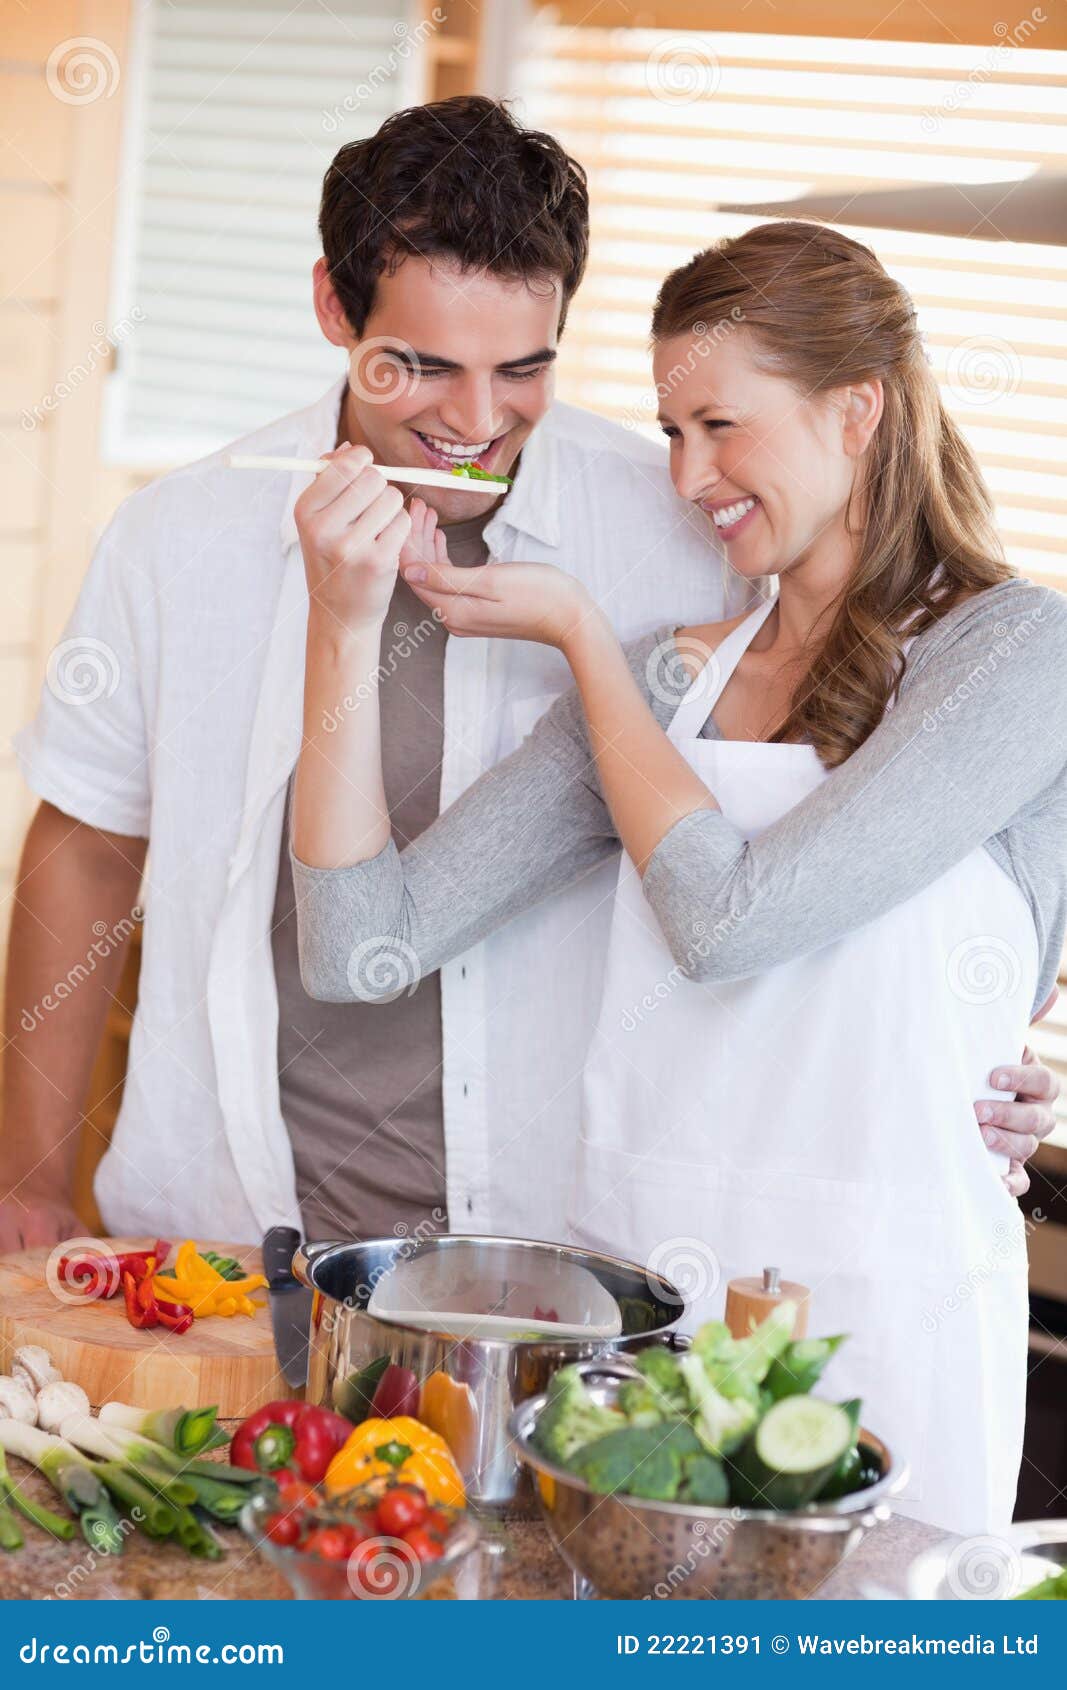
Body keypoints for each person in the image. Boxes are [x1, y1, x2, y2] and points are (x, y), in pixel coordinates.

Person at [290, 221, 1067, 1533]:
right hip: (642, 1321)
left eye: (718, 426)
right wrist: (342, 619)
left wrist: (583, 641)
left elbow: (728, 920)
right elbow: (359, 944)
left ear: (855, 410)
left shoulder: (1015, 655)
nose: (687, 475)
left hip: (883, 1332)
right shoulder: (669, 680)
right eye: (666, 433)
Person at [2, 96, 754, 1251]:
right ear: (331, 306)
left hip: (562, 1259)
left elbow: (781, 851)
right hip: (227, 1237)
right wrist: (29, 1178)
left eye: (521, 370)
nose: (475, 418)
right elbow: (91, 844)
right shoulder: (180, 534)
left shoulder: (678, 535)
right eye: (422, 367)